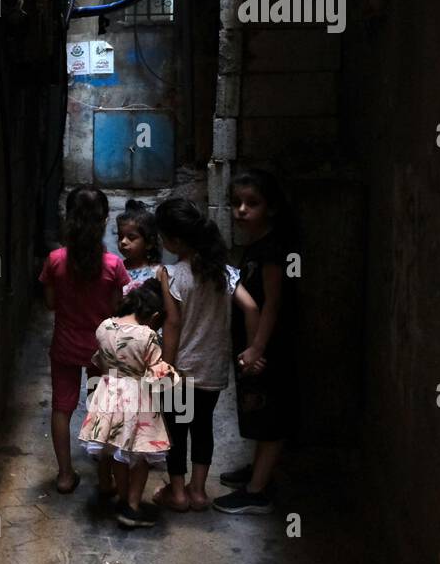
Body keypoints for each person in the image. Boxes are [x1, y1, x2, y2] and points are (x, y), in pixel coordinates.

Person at [152, 198, 259, 512]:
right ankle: (198, 492)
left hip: (181, 372)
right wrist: (252, 350)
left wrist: (165, 368)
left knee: (176, 429)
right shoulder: (224, 273)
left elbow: (172, 324)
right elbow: (252, 308)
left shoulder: (171, 274)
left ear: (174, 241)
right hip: (211, 371)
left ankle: (178, 494)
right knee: (202, 428)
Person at [214, 169, 301, 515]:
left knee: (271, 416)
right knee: (260, 408)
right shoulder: (257, 244)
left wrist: (257, 348)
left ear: (271, 207)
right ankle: (258, 473)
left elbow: (273, 304)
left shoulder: (272, 251)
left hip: (270, 345)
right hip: (259, 343)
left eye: (252, 203)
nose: (241, 210)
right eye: (236, 203)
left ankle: (257, 492)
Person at [40, 185, 128, 496]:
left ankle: (65, 475)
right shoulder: (114, 266)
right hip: (101, 349)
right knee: (102, 407)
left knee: (62, 407)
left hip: (64, 344)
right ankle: (105, 476)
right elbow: (120, 308)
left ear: (69, 218)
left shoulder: (55, 260)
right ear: (105, 221)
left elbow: (50, 303)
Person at [79, 279, 177, 529]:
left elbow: (99, 361)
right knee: (141, 454)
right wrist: (173, 376)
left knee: (117, 451)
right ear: (154, 315)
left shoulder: (104, 327)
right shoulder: (148, 336)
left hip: (108, 391)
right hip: (137, 397)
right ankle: (133, 505)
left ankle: (122, 499)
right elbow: (157, 373)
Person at [116, 198, 161, 294]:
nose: (123, 242)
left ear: (149, 243)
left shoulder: (159, 272)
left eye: (131, 238)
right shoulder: (116, 269)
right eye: (120, 236)